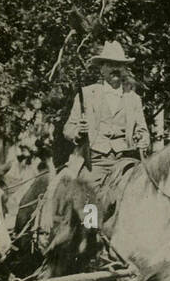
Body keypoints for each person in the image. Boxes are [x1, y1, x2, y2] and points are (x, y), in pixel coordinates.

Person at [62, 41, 151, 185]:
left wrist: (142, 139)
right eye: (110, 64)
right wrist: (78, 131)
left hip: (126, 161)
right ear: (102, 69)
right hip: (95, 161)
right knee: (87, 199)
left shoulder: (133, 99)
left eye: (119, 65)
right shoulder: (87, 94)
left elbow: (143, 131)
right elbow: (68, 129)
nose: (115, 68)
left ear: (124, 69)